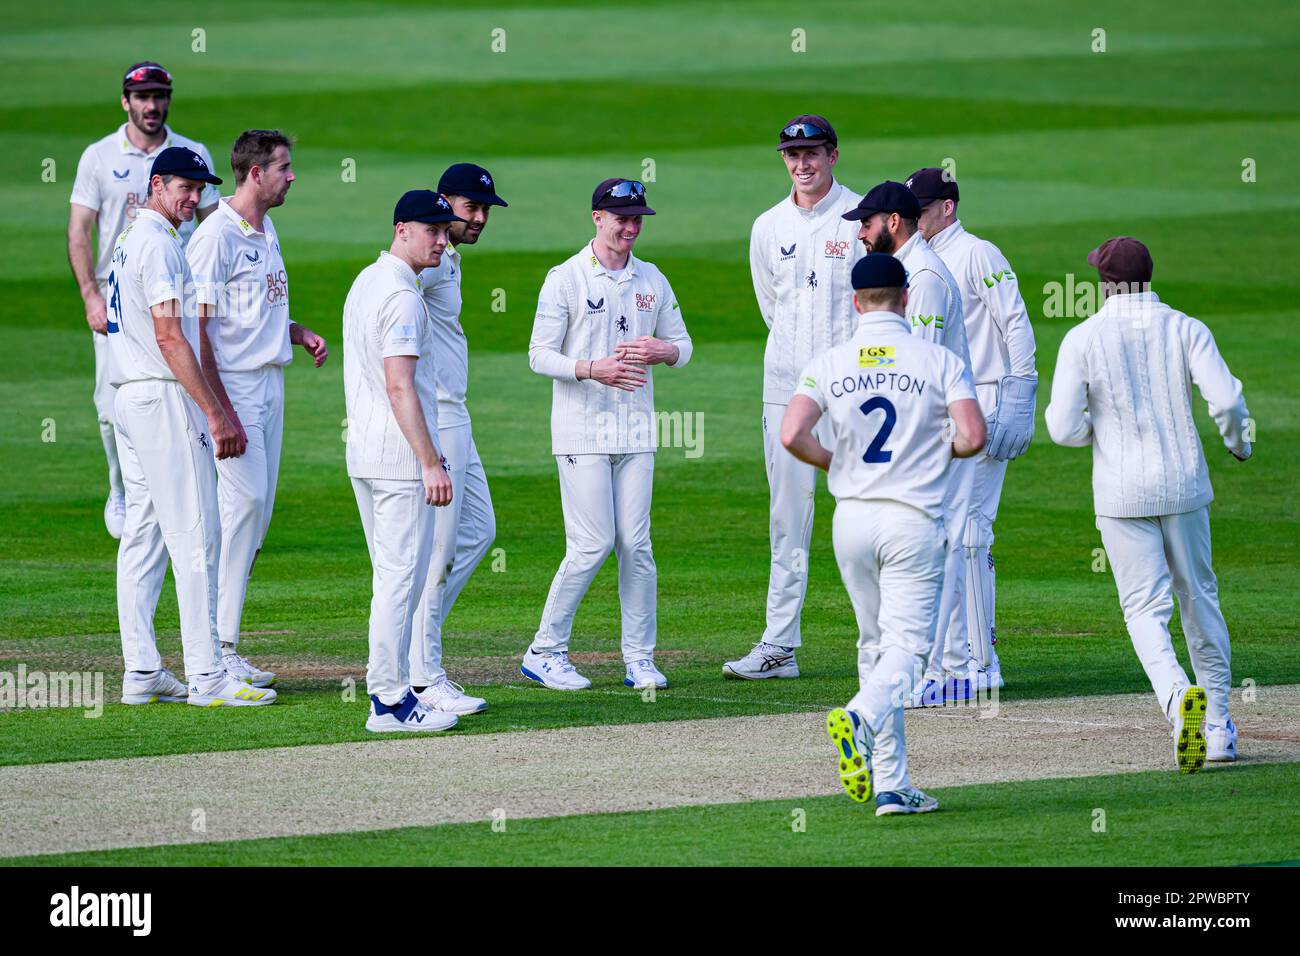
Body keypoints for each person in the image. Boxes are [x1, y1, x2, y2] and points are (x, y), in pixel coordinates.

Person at [781, 253, 985, 814]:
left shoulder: (830, 361)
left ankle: (893, 783)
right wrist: (931, 453)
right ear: (906, 298)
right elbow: (972, 436)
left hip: (851, 518)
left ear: (855, 301)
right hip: (911, 519)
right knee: (911, 653)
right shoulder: (938, 360)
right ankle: (859, 719)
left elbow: (792, 433)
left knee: (876, 646)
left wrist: (837, 464)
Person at [1045, 237, 1250, 772]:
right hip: (1184, 485)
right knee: (1199, 598)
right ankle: (1220, 726)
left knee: (1144, 610)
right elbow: (1226, 400)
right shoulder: (1185, 327)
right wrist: (1238, 444)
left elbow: (1062, 427)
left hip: (1120, 492)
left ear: (1104, 284)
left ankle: (1176, 697)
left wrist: (1103, 434)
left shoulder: (1083, 337)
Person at [106, 146, 273, 707]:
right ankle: (207, 676)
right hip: (161, 397)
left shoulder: (131, 239)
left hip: (128, 397)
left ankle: (143, 670)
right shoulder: (157, 244)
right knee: (198, 533)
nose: (194, 198)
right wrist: (213, 409)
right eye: (185, 187)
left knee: (144, 536)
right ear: (157, 185)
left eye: (200, 188)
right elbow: (172, 338)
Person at [523, 178, 693, 691]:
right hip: (581, 433)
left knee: (636, 545)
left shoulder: (652, 279)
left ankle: (639, 658)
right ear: (597, 218)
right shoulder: (566, 279)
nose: (631, 227)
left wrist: (663, 351)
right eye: (621, 218)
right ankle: (544, 650)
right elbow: (538, 354)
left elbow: (683, 347)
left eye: (638, 218)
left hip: (637, 430)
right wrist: (591, 368)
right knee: (592, 544)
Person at [723, 114, 866, 681]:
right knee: (788, 519)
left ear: (834, 154)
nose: (802, 164)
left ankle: (886, 644)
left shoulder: (860, 217)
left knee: (866, 515)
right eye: (791, 154)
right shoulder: (766, 226)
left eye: (813, 153)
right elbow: (771, 306)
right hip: (786, 390)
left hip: (853, 390)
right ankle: (779, 647)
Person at [187, 129, 329, 689]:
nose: (291, 176)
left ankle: (226, 644)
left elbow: (250, 312)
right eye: (284, 167)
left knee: (257, 514)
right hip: (236, 388)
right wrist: (219, 411)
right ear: (254, 173)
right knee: (240, 510)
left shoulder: (266, 229)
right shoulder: (215, 237)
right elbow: (198, 330)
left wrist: (295, 332)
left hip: (270, 383)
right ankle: (215, 649)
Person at [68, 61, 219, 540]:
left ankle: (188, 497)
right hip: (118, 302)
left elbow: (216, 228)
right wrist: (91, 296)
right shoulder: (97, 157)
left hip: (179, 292)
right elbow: (80, 231)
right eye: (143, 97)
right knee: (111, 406)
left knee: (187, 390)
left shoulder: (191, 154)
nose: (152, 106)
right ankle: (124, 490)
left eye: (160, 96)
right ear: (125, 102)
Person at [844, 182, 976, 706]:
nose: (860, 232)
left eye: (866, 223)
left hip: (932, 443)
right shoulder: (908, 273)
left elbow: (917, 367)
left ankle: (936, 672)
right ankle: (934, 668)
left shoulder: (922, 278)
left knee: (937, 552)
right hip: (922, 443)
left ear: (892, 223)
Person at [911, 167, 1038, 689]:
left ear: (948, 206)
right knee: (955, 535)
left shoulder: (978, 253)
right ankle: (958, 661)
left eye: (924, 207)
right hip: (953, 405)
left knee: (969, 534)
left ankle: (978, 664)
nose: (916, 216)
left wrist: (1020, 394)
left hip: (985, 400)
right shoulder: (923, 259)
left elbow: (1016, 321)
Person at [343, 190, 460, 733]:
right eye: (432, 230)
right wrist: (430, 462)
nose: (442, 240)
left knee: (391, 578)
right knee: (399, 581)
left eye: (445, 230)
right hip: (397, 461)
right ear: (402, 229)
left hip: (365, 454)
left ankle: (388, 694)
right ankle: (389, 701)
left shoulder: (367, 281)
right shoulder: (404, 297)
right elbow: (399, 385)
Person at [408, 163, 508, 716]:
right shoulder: (427, 263)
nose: (480, 219)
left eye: (485, 210)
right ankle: (425, 676)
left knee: (478, 531)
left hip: (456, 414)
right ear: (444, 204)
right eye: (472, 208)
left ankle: (411, 642)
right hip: (438, 416)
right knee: (437, 551)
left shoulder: (449, 260)